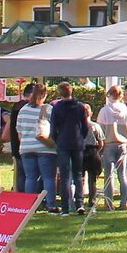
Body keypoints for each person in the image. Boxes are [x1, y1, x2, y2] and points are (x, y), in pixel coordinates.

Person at [46, 82, 92, 216]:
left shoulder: (57, 107)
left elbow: (53, 126)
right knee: (78, 174)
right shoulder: (80, 107)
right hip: (77, 142)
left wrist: (56, 139)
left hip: (63, 143)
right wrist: (80, 137)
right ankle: (79, 204)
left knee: (65, 176)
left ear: (60, 93)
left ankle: (65, 207)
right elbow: (85, 126)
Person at [10, 83, 53, 199]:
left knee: (30, 177)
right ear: (44, 95)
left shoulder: (23, 110)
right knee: (48, 177)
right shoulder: (48, 109)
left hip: (26, 147)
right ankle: (50, 204)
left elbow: (19, 131)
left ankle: (28, 203)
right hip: (45, 148)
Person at [97, 85, 127, 208]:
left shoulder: (104, 110)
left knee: (109, 175)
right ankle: (124, 202)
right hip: (122, 144)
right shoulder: (125, 110)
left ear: (109, 95)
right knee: (122, 175)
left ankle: (109, 203)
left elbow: (100, 129)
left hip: (108, 144)